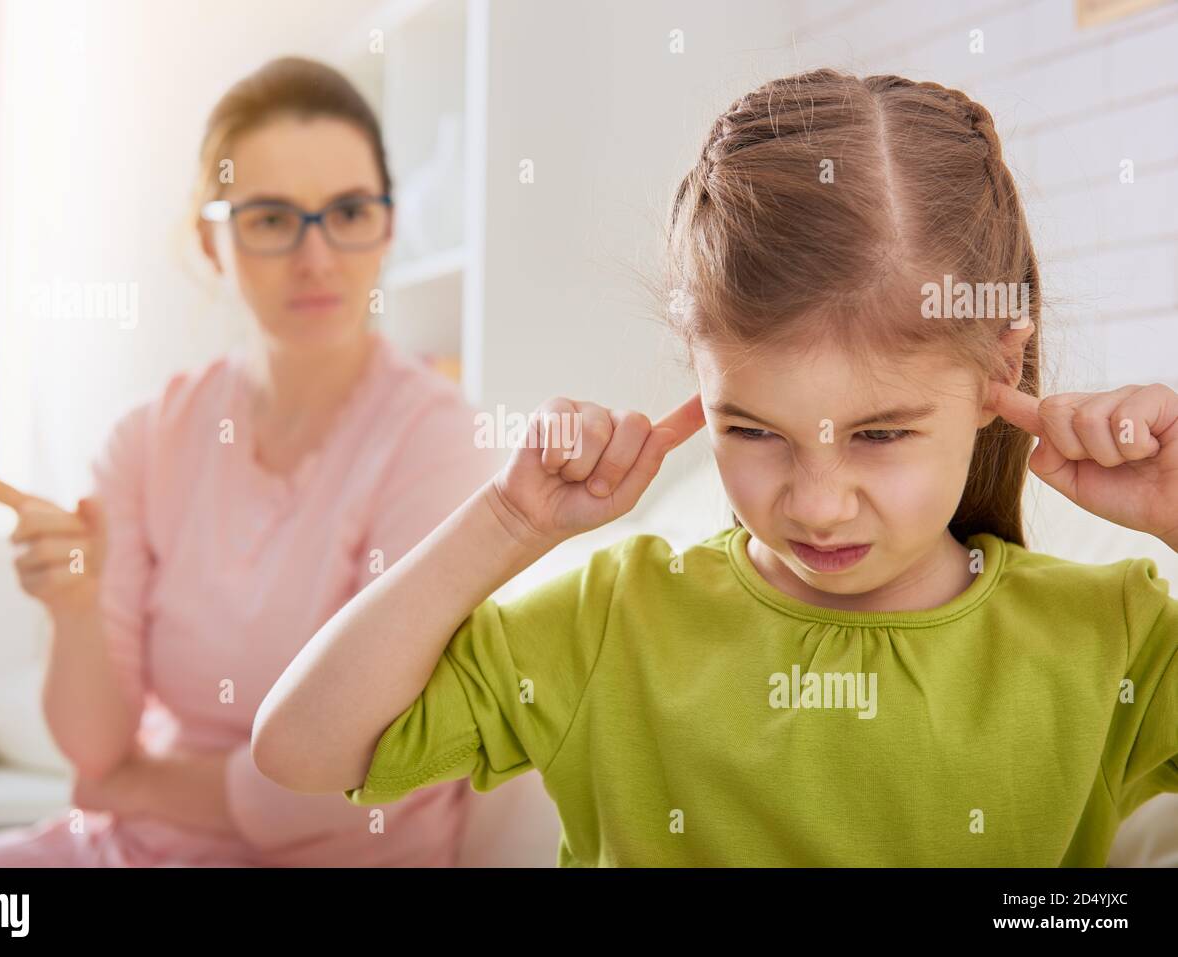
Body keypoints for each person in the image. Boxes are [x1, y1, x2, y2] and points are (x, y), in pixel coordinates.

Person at [251, 70, 1178, 866]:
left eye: (881, 435)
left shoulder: (1110, 637)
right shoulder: (611, 619)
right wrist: (508, 520)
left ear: (996, 376)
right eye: (753, 429)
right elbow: (301, 747)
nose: (817, 504)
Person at [0, 57, 499, 867]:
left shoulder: (438, 440)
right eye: (271, 219)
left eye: (348, 211)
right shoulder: (150, 437)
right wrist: (74, 602)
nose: (317, 257)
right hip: (130, 849)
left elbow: (377, 777)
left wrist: (149, 784)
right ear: (211, 239)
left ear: (386, 225)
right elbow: (96, 754)